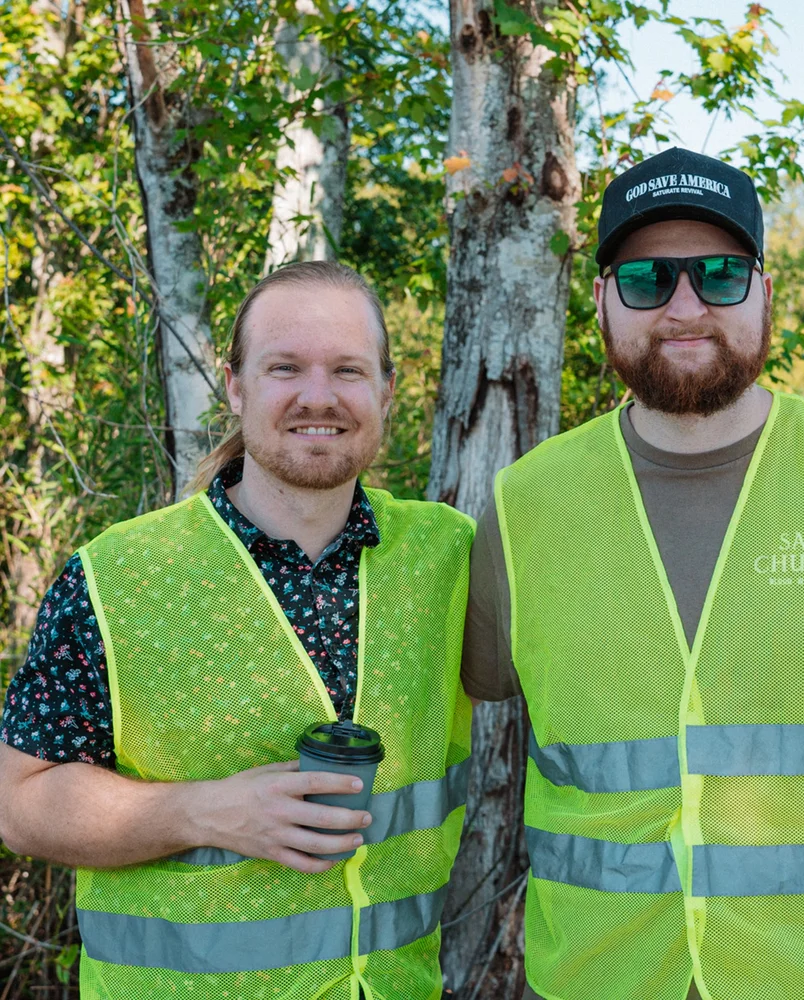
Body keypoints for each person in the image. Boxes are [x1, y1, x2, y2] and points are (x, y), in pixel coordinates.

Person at [461, 148, 804, 1000]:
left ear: (764, 293)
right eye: (647, 279)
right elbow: (431, 736)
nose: (684, 307)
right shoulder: (524, 506)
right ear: (601, 300)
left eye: (718, 274)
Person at [0, 261, 475, 1000]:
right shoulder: (117, 576)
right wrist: (201, 810)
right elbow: (18, 803)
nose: (318, 397)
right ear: (235, 384)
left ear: (386, 388)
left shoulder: (450, 557)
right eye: (284, 367)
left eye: (347, 370)